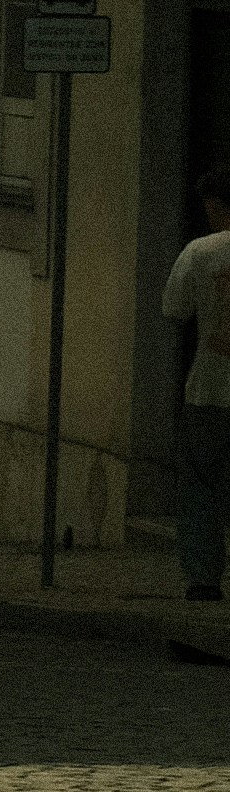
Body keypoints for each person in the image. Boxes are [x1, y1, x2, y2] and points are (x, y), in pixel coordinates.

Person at [168, 160, 230, 645]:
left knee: (203, 484)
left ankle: (205, 578)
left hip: (210, 389)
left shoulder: (201, 252)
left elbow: (175, 309)